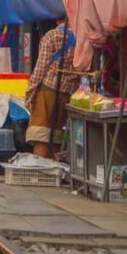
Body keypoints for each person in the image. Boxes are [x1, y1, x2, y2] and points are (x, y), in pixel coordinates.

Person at [25, 20, 77, 158]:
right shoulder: (82, 39)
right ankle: (54, 172)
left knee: (41, 137)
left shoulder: (52, 36)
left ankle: (40, 173)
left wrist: (30, 94)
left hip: (47, 91)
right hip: (67, 94)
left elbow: (40, 70)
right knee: (57, 139)